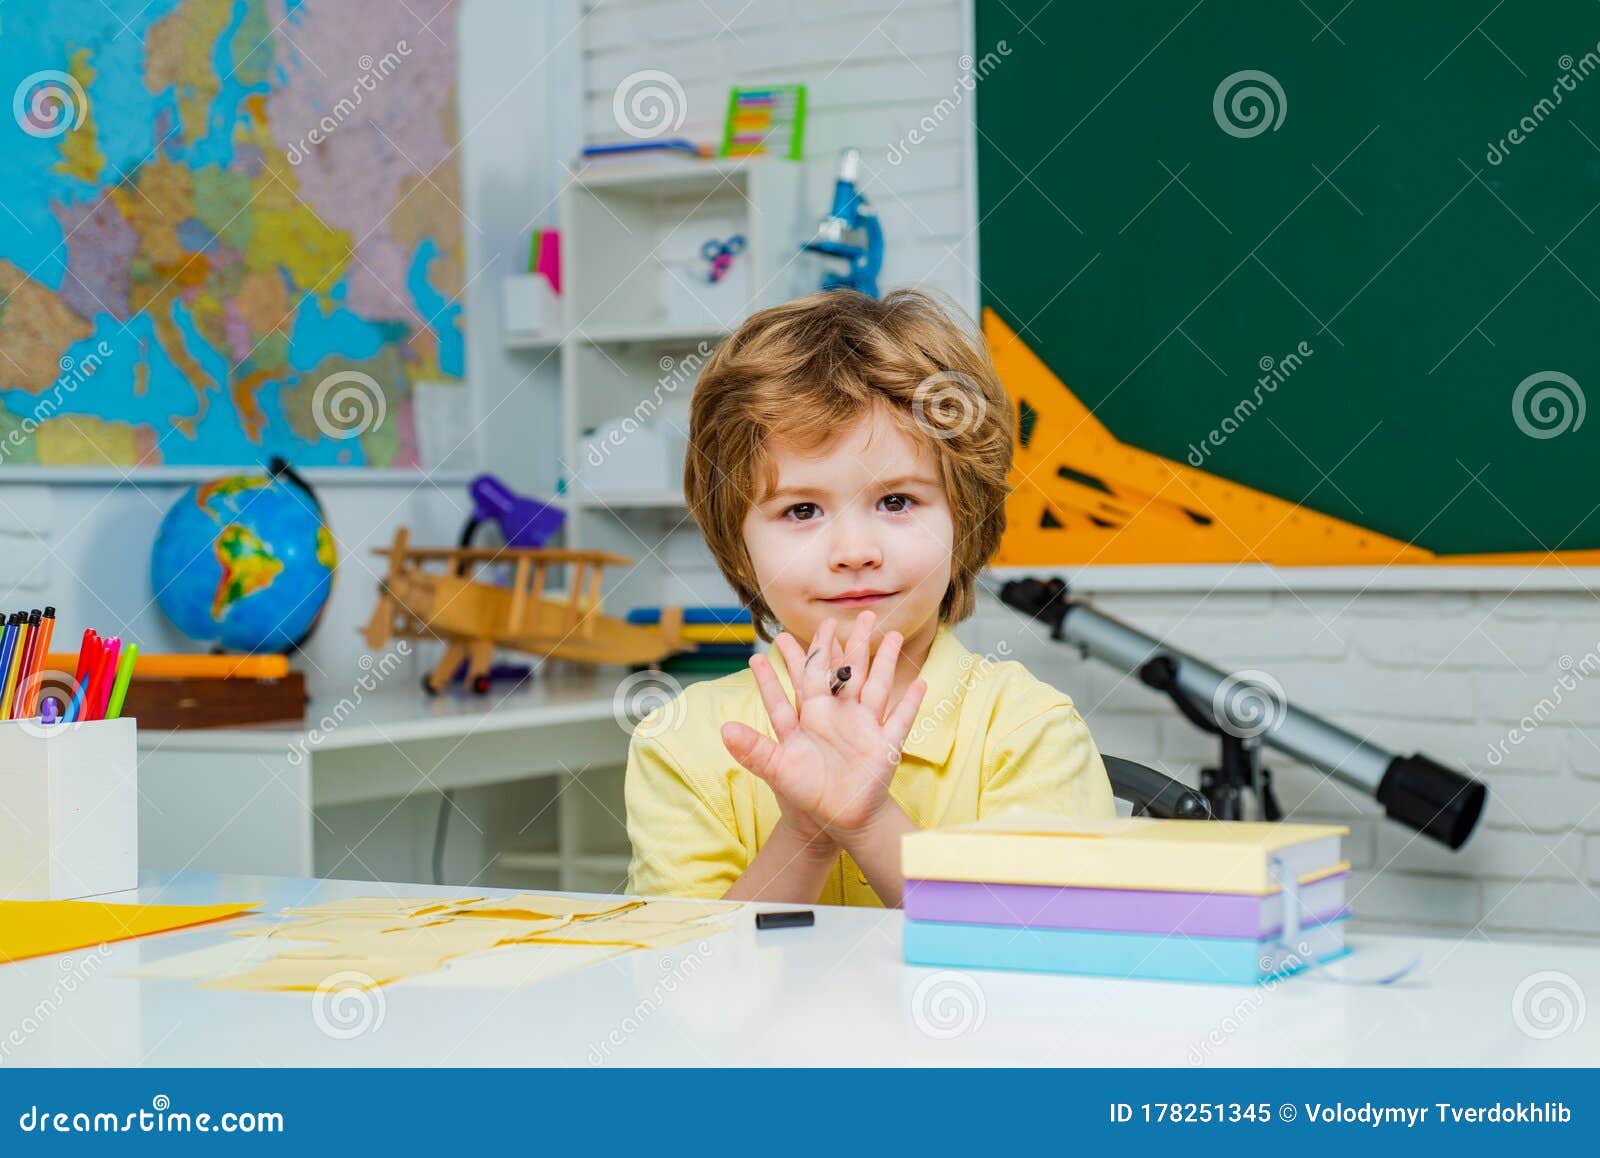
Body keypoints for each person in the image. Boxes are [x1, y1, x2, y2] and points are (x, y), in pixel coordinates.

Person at [625, 289, 1115, 907]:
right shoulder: (682, 740)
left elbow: (1046, 972)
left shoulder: (1027, 731)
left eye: (897, 501)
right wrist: (806, 833)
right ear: (737, 542)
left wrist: (866, 820)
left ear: (964, 518)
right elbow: (687, 992)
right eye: (801, 509)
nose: (854, 549)